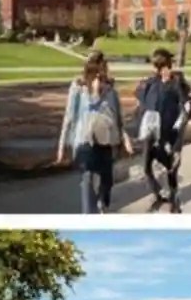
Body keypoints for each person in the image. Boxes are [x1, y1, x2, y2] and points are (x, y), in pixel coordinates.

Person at [56, 50, 135, 214]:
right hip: (84, 140)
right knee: (87, 178)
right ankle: (88, 214)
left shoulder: (111, 90)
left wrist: (125, 139)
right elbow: (69, 117)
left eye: (103, 70)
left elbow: (117, 116)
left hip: (106, 140)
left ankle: (102, 202)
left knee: (107, 179)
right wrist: (62, 146)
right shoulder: (78, 88)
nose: (102, 74)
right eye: (97, 71)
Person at [135, 48, 191, 213]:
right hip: (150, 135)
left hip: (168, 135)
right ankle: (159, 194)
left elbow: (184, 112)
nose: (154, 70)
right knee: (146, 168)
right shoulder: (151, 83)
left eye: (157, 66)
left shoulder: (177, 85)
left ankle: (174, 199)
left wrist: (177, 145)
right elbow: (142, 103)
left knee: (171, 169)